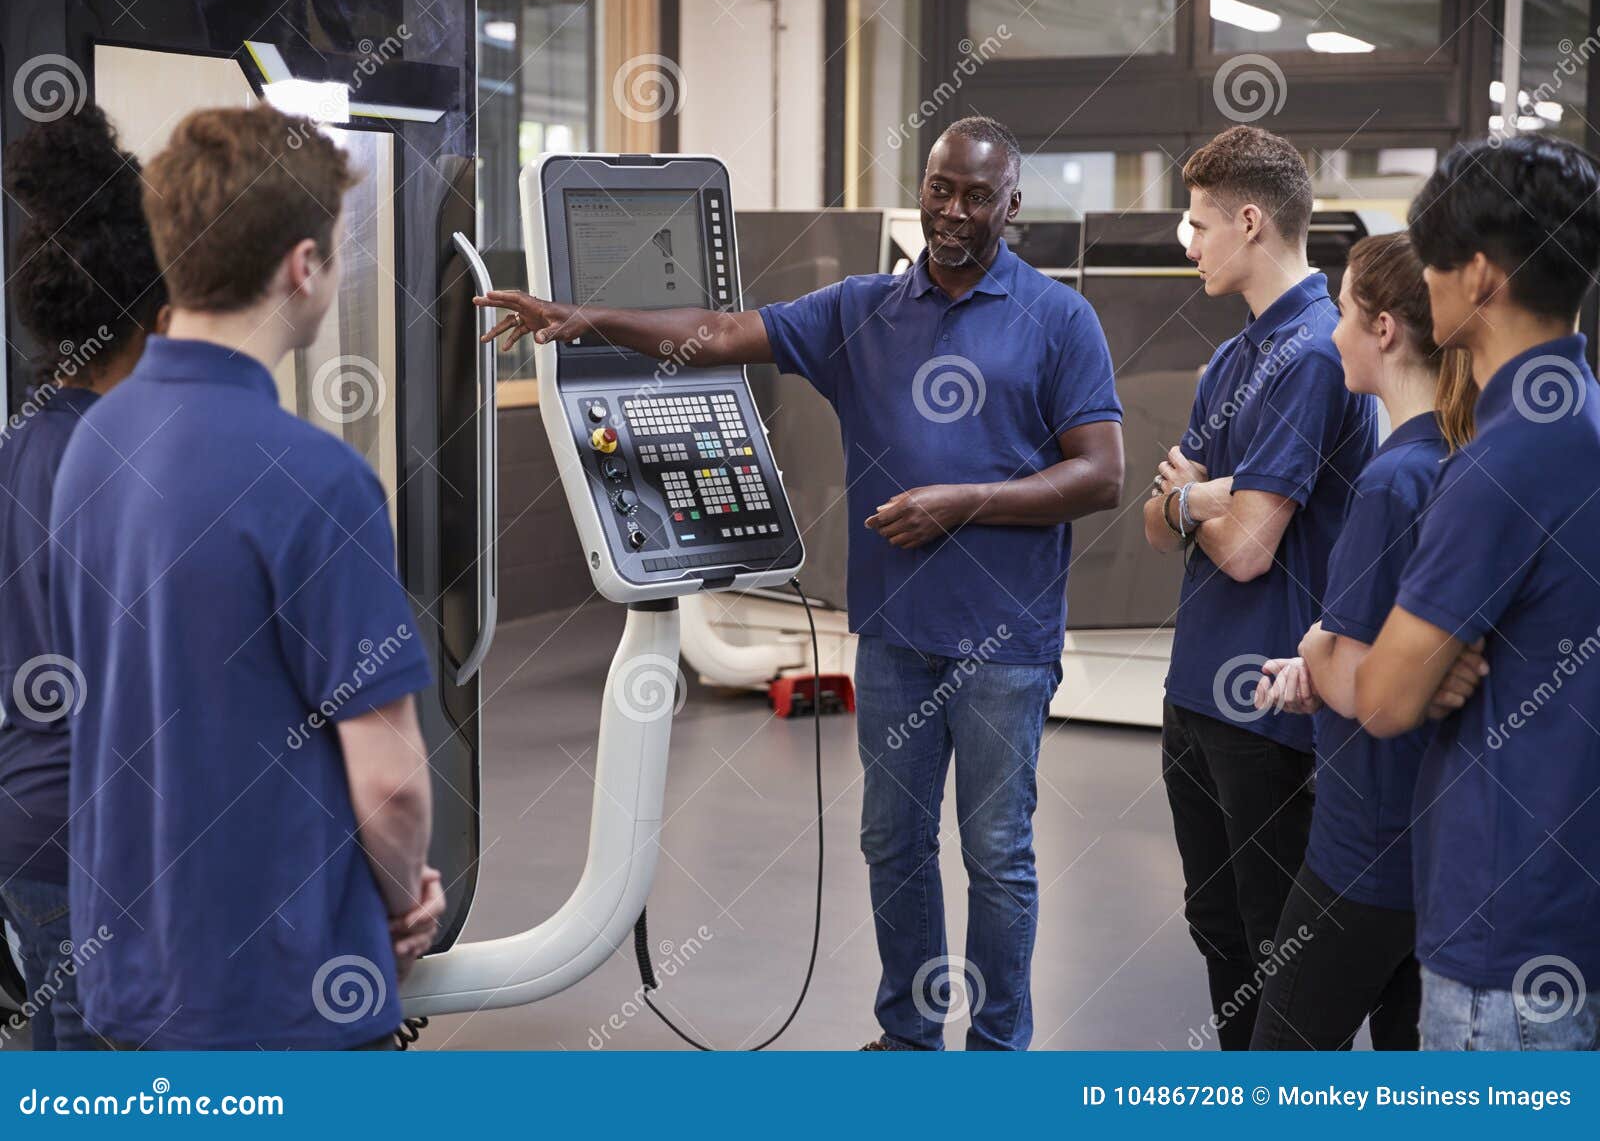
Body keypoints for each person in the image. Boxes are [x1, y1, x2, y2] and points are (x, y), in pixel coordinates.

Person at [476, 116, 1125, 1050]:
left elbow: (1100, 474)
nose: (952, 210)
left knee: (996, 855)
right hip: (897, 634)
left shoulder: (1060, 320)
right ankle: (907, 1037)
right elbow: (718, 331)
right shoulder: (862, 309)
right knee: (893, 845)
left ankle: (998, 1055)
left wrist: (966, 502)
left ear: (1011, 205)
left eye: (976, 195)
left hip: (1004, 644)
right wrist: (589, 320)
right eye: (940, 187)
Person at [48, 104, 443, 1050]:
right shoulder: (319, 480)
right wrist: (405, 901)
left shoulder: (89, 443)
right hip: (279, 996)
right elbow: (391, 785)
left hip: (125, 978)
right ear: (302, 267)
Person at [1355, 134, 1600, 1051]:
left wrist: (1389, 662)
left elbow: (1385, 697)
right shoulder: (1582, 417)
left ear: (1483, 276)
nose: (1425, 286)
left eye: (1433, 266)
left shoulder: (1502, 460)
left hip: (1503, 939)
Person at [1144, 124, 1378, 1050]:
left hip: (1268, 715)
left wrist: (1194, 494)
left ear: (1250, 221)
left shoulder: (1317, 352)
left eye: (1199, 225)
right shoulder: (1231, 357)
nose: (1190, 245)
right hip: (1195, 695)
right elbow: (1155, 527)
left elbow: (1241, 548)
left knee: (1277, 955)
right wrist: (1203, 501)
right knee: (1220, 936)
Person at [1247, 232, 1482, 1049]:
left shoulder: (1389, 482)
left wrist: (1318, 648)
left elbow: (1359, 665)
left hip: (1363, 844)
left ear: (1383, 329)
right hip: (1434, 842)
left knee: (1280, 1059)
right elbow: (1398, 654)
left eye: (1344, 312)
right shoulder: (1463, 458)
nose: (1334, 332)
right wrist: (1336, 660)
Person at [0, 106, 167, 1050]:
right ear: (152, 313)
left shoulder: (21, 444)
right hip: (104, 847)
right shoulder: (121, 468)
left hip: (25, 832)